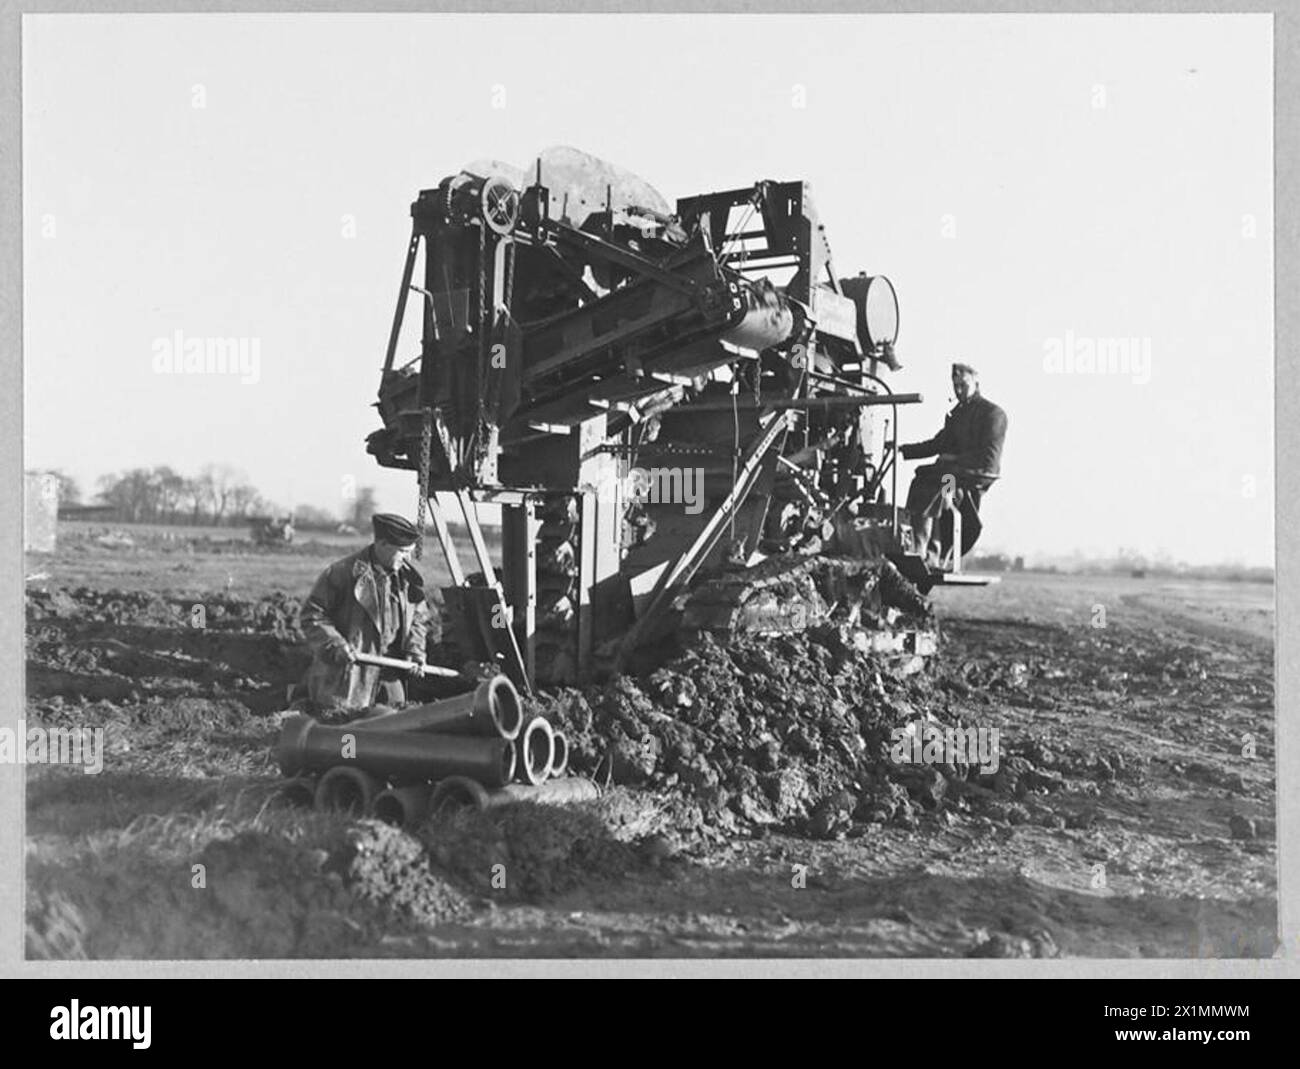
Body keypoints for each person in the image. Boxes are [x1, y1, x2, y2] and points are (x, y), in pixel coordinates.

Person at [298, 513, 429, 715]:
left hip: (390, 678)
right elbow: (312, 616)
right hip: (348, 679)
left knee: (390, 735)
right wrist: (336, 645)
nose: (408, 558)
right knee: (347, 736)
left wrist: (415, 651)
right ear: (382, 544)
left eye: (410, 552)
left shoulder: (408, 580)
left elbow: (418, 619)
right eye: (403, 551)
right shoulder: (342, 573)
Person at [899, 363, 1007, 564]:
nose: (958, 391)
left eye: (963, 385)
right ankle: (920, 548)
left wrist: (954, 460)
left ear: (976, 382)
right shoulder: (958, 414)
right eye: (955, 386)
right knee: (920, 480)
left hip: (967, 480)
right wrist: (904, 449)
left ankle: (927, 553)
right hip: (949, 476)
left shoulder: (993, 414)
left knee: (937, 486)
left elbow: (989, 460)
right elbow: (938, 443)